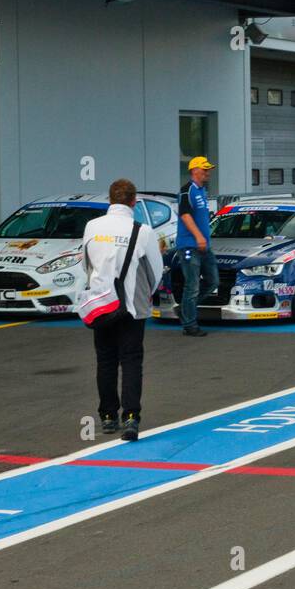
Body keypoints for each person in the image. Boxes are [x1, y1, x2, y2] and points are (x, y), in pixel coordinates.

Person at [81, 178, 164, 441]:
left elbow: (86, 264)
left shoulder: (92, 227)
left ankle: (107, 416)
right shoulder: (143, 231)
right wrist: (145, 294)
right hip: (131, 305)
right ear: (134, 202)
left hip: (101, 302)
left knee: (105, 360)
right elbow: (156, 271)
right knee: (131, 361)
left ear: (110, 200)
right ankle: (131, 418)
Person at [173, 155, 219, 337]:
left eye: (208, 169)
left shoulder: (202, 191)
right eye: (205, 169)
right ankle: (190, 325)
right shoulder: (187, 191)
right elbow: (185, 215)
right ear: (195, 170)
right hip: (189, 246)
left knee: (213, 281)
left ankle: (186, 310)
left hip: (203, 246)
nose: (208, 173)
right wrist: (199, 236)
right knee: (192, 285)